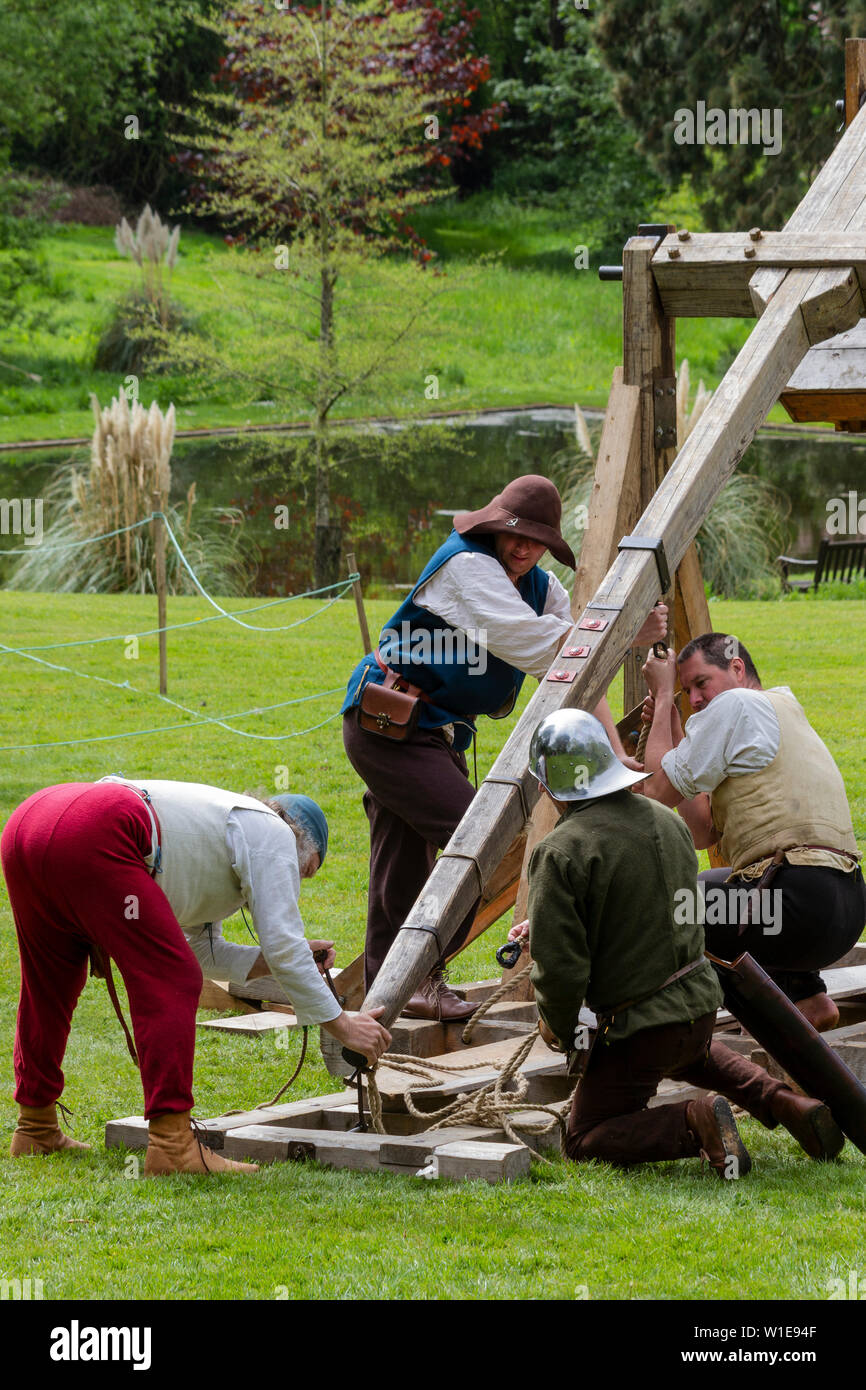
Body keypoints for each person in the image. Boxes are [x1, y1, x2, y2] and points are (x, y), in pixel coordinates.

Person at [341, 473, 668, 1019]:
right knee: (479, 843)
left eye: (536, 540)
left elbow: (575, 671)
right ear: (493, 527)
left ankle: (390, 993)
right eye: (514, 535)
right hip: (388, 726)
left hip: (429, 731)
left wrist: (613, 749)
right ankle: (419, 977)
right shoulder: (467, 568)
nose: (522, 547)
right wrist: (628, 628)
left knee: (400, 863)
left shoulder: (548, 591)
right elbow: (537, 642)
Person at [513, 708, 845, 1176]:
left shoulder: (560, 851)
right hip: (698, 1008)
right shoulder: (665, 822)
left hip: (642, 1029)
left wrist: (566, 1033)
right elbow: (646, 910)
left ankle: (696, 1122)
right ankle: (787, 1102)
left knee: (584, 1137)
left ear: (548, 787)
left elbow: (562, 968)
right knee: (696, 1052)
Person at [3, 778, 391, 1175]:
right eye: (304, 872)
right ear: (302, 847)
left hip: (30, 824)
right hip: (95, 829)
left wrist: (282, 959)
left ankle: (35, 1127)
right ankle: (172, 1146)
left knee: (51, 983)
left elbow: (203, 952)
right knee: (171, 980)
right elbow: (281, 945)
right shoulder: (273, 836)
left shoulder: (215, 837)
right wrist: (343, 1024)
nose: (295, 883)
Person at [636, 633, 865, 1032]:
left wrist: (662, 695)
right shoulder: (779, 706)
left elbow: (655, 791)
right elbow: (703, 831)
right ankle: (807, 999)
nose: (693, 699)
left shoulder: (737, 705)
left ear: (736, 668)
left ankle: (744, 1029)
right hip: (840, 906)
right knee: (708, 884)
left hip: (795, 907)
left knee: (663, 905)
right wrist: (673, 724)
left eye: (700, 683)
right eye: (685, 690)